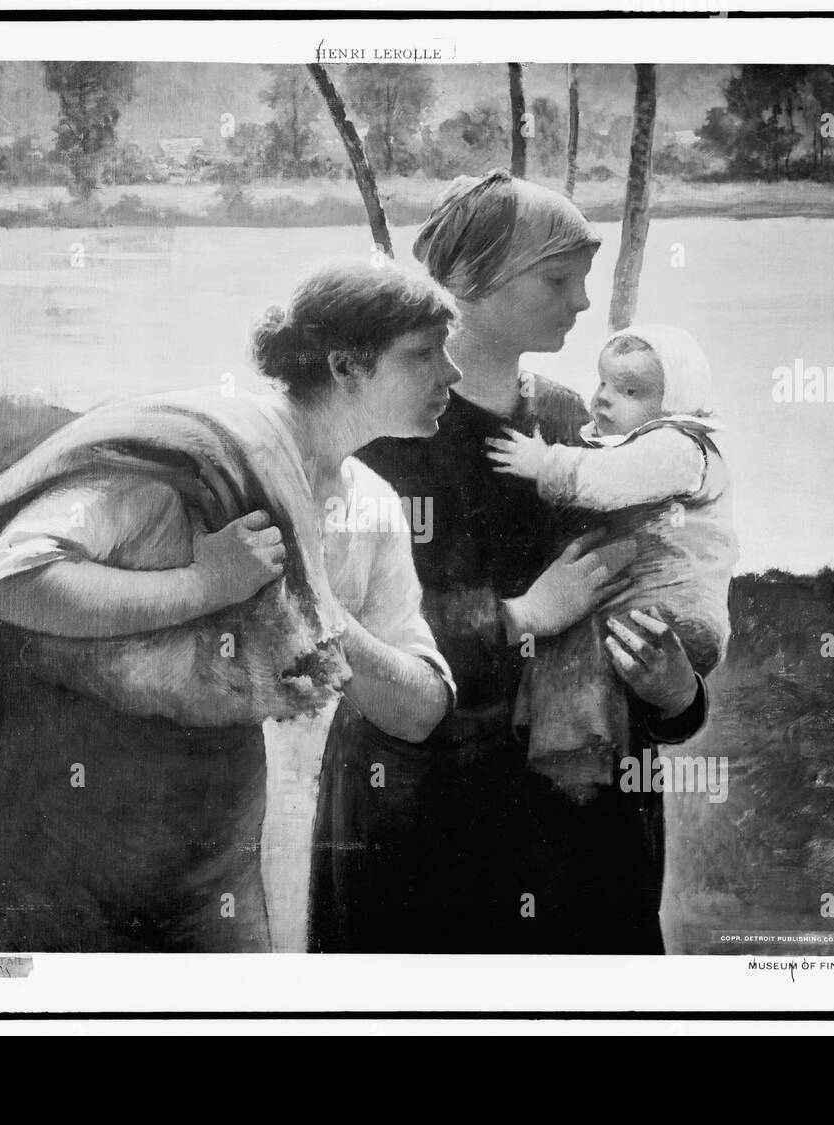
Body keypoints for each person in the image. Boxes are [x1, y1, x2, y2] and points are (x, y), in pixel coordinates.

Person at [0, 259, 461, 952]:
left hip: (216, 832)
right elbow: (15, 575)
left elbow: (418, 709)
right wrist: (205, 585)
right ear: (345, 364)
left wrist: (317, 607)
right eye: (423, 354)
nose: (449, 373)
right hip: (60, 819)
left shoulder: (370, 507)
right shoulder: (203, 456)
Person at [308, 171, 711, 954]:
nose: (583, 304)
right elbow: (341, 623)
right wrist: (522, 615)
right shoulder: (382, 437)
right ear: (473, 283)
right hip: (427, 810)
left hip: (585, 813)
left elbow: (654, 582)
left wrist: (677, 693)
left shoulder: (578, 426)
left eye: (584, 280)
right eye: (558, 279)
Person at [486, 324, 739, 800]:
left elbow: (611, 478)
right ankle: (568, 751)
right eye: (603, 383)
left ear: (674, 404)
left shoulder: (676, 446)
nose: (601, 400)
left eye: (628, 391)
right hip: (642, 611)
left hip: (669, 610)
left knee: (587, 640)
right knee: (581, 642)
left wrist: (546, 465)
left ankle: (574, 756)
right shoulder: (617, 437)